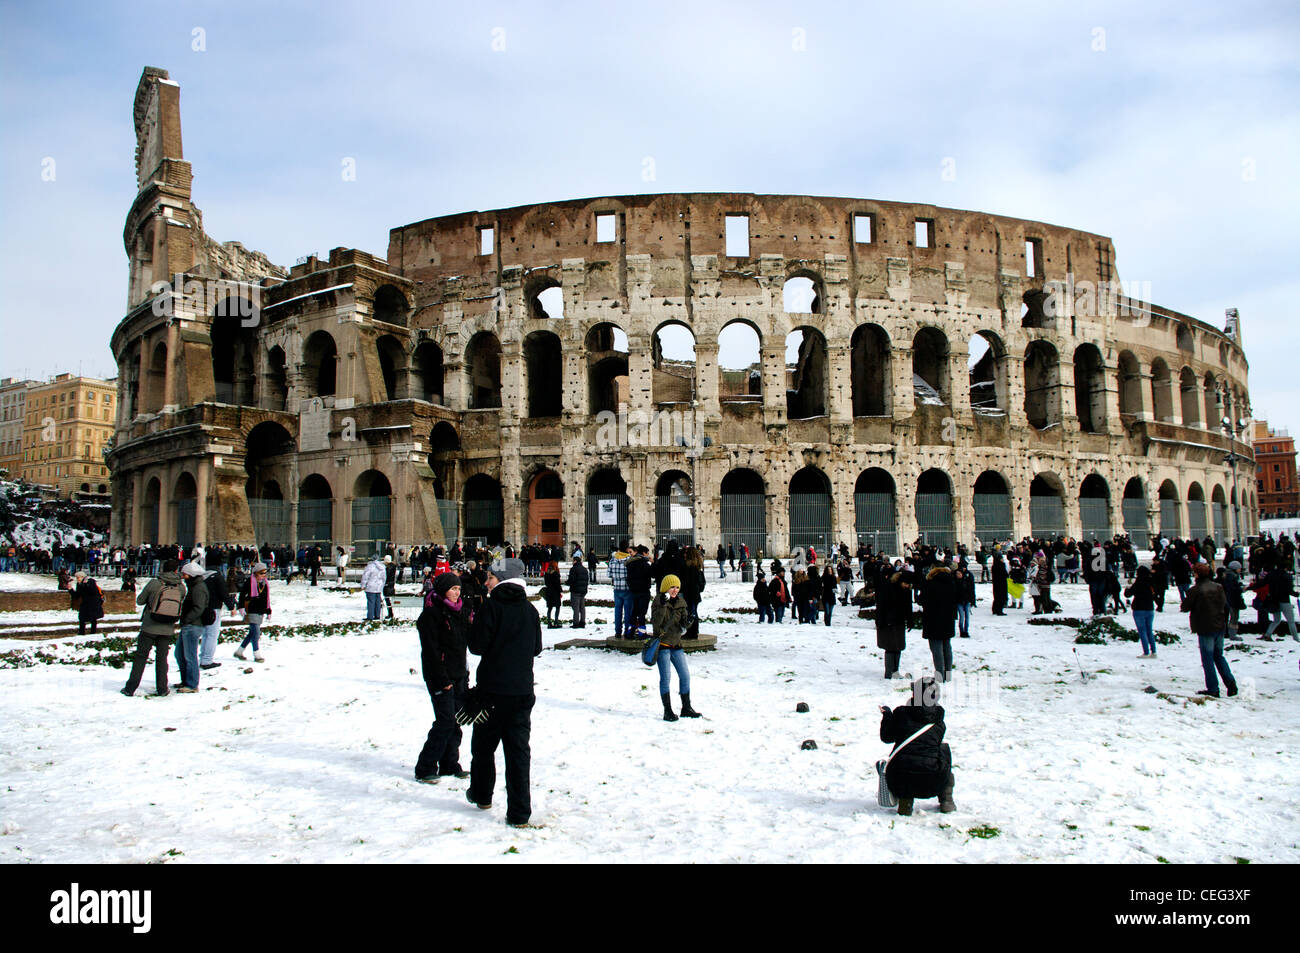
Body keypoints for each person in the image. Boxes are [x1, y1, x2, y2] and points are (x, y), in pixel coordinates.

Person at [465, 558, 543, 828]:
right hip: (522, 692)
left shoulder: (491, 608)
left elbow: (476, 646)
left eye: (489, 577)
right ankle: (520, 814)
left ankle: (482, 795)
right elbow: (536, 648)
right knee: (519, 753)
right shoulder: (530, 611)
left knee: (483, 748)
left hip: (491, 693)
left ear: (501, 580)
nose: (486, 582)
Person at [414, 571, 472, 782]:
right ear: (442, 590)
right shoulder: (431, 614)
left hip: (458, 674)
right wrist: (442, 679)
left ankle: (450, 764)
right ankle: (425, 766)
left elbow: (464, 646)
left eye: (458, 589)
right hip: (440, 676)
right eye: (452, 589)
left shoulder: (460, 612)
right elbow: (430, 651)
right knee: (445, 721)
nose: (456, 593)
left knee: (455, 721)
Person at [879, 676, 956, 816]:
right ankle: (946, 801)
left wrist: (887, 716)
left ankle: (905, 804)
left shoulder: (902, 714)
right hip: (934, 781)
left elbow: (887, 737)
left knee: (908, 760)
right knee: (943, 749)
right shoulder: (939, 723)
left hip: (902, 781)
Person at [122, 559, 185, 697]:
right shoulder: (181, 587)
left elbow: (140, 601)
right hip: (168, 627)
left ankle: (130, 688)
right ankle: (162, 688)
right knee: (162, 659)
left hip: (150, 626)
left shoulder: (155, 583)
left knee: (141, 657)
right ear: (176, 570)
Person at [1180, 562, 1237, 698]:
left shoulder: (1195, 590)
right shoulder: (1218, 587)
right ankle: (1230, 683)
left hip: (1205, 626)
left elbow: (1185, 607)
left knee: (1207, 659)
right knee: (1219, 655)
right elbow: (1224, 604)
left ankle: (1213, 688)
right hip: (1219, 625)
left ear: (1197, 574)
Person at [650, 574, 701, 722]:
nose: (675, 590)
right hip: (663, 645)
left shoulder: (681, 601)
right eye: (672, 587)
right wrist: (663, 605)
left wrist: (689, 620)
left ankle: (686, 707)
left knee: (685, 676)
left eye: (677, 587)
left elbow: (683, 623)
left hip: (676, 644)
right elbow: (656, 623)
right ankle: (667, 710)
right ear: (666, 588)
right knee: (666, 678)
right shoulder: (658, 601)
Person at [174, 562, 211, 693]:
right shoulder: (194, 586)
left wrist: (186, 619)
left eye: (185, 574)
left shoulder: (198, 588)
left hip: (193, 625)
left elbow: (199, 607)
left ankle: (192, 684)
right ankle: (186, 680)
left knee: (189, 656)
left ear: (191, 575)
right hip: (189, 625)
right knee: (179, 654)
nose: (183, 577)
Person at [917, 561, 957, 682]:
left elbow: (921, 599)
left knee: (936, 647)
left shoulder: (930, 583)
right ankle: (948, 673)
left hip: (933, 618)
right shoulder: (951, 582)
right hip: (948, 618)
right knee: (947, 646)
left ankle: (939, 674)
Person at [875, 568, 912, 679]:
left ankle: (895, 671)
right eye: (906, 584)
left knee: (898, 646)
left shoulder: (905, 590)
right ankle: (889, 672)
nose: (907, 586)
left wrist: (910, 621)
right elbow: (882, 606)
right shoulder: (888, 587)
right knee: (890, 647)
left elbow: (908, 607)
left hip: (899, 622)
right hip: (888, 622)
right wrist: (882, 621)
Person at [235, 562, 271, 662]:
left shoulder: (265, 583)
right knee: (256, 633)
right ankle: (257, 654)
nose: (263, 576)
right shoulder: (249, 582)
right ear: (256, 573)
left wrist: (268, 611)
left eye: (264, 573)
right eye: (261, 573)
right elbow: (242, 594)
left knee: (252, 633)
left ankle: (239, 651)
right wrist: (241, 606)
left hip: (260, 610)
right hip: (251, 609)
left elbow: (267, 598)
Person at [1125, 565, 1158, 658]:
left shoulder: (1138, 583)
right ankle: (1154, 651)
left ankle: (1146, 652)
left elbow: (1128, 594)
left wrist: (1127, 589)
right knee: (1149, 630)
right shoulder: (1151, 582)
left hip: (1139, 609)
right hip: (1149, 608)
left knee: (1142, 631)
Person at [361, 554, 386, 621]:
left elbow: (365, 577)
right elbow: (384, 578)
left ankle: (370, 616)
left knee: (371, 601)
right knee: (378, 601)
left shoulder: (369, 567)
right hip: (379, 586)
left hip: (371, 586)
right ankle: (377, 615)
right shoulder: (382, 567)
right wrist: (382, 585)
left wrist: (363, 585)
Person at [566, 556, 589, 628]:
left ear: (575, 561)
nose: (572, 562)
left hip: (575, 590)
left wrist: (567, 582)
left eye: (573, 561)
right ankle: (582, 622)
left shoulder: (573, 569)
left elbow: (572, 580)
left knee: (575, 607)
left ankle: (576, 623)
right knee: (582, 606)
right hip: (583, 590)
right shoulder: (585, 569)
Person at [954, 562, 975, 638]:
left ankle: (966, 630)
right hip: (959, 601)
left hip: (966, 601)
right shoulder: (955, 582)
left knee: (967, 617)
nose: (958, 575)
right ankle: (962, 631)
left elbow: (971, 591)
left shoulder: (966, 581)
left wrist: (972, 600)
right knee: (962, 617)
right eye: (957, 574)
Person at [542, 561, 563, 628]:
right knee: (557, 607)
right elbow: (557, 584)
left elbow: (546, 583)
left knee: (550, 608)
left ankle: (549, 623)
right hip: (555, 592)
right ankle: (556, 622)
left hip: (549, 592)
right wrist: (560, 591)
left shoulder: (546, 573)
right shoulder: (556, 573)